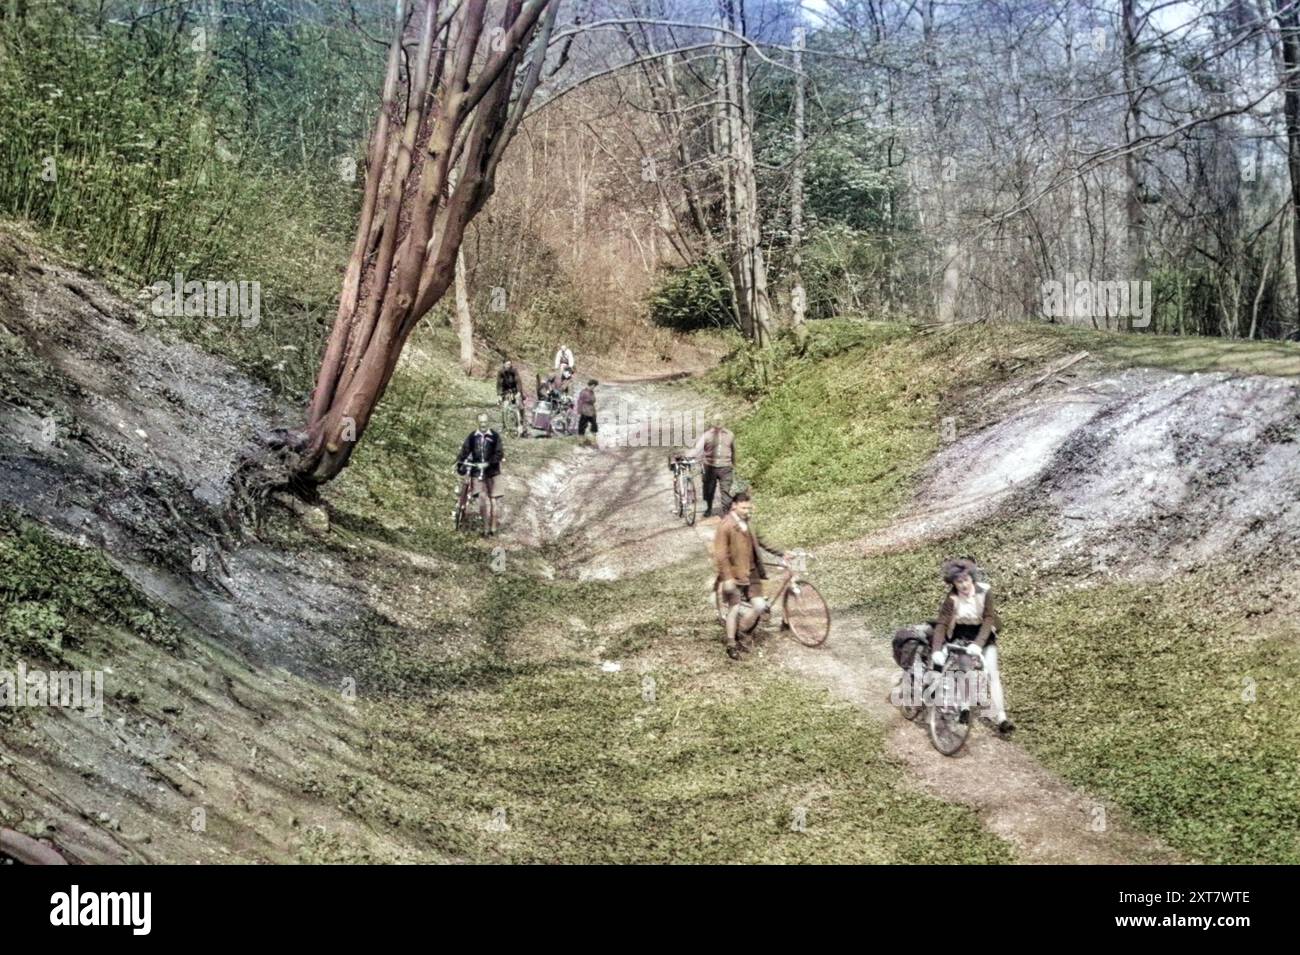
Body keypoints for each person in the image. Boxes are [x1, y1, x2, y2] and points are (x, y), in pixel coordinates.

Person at [928, 558, 1015, 735]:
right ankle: (965, 707)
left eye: (966, 580)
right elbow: (942, 624)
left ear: (972, 578)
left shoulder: (985, 592)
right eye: (959, 582)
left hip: (983, 633)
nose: (963, 585)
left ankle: (1001, 718)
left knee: (992, 673)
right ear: (953, 583)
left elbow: (989, 618)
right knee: (964, 672)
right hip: (962, 634)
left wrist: (978, 644)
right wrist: (937, 650)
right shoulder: (951, 599)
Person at [712, 490, 791, 660]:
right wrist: (727, 578)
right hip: (734, 574)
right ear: (734, 506)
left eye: (749, 508)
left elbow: (762, 540)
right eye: (743, 508)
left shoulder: (749, 523)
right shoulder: (726, 526)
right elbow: (720, 555)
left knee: (759, 606)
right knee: (733, 608)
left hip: (752, 572)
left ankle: (741, 632)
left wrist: (782, 552)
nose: (747, 511)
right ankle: (731, 644)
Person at [455, 413, 504, 535]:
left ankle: (493, 526)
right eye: (481, 422)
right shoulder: (472, 437)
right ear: (478, 423)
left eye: (485, 422)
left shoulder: (495, 436)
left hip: (493, 472)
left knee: (493, 500)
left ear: (488, 422)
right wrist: (459, 464)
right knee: (481, 499)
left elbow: (499, 454)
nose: (483, 424)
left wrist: (488, 463)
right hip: (477, 472)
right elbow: (464, 451)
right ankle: (485, 527)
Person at [688, 415, 736, 518]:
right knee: (726, 492)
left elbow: (698, 450)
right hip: (726, 467)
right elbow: (733, 451)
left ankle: (708, 510)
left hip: (710, 467)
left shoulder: (707, 435)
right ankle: (727, 514)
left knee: (708, 491)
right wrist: (733, 463)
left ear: (712, 423)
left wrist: (689, 457)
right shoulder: (730, 435)